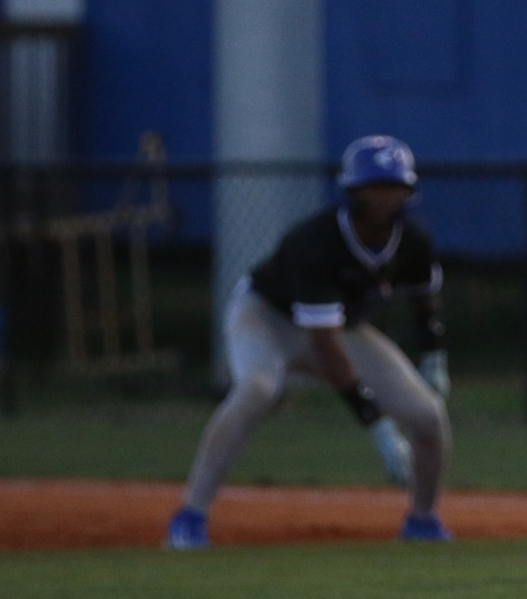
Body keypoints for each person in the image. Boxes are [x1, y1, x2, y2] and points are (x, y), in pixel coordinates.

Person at [165, 135, 454, 549]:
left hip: (342, 328)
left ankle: (422, 522)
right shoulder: (316, 240)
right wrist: (378, 425)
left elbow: (424, 299)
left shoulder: (413, 240)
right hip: (268, 318)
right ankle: (189, 517)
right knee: (258, 389)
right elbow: (324, 345)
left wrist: (434, 357)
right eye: (375, 187)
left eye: (394, 187)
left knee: (427, 414)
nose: (385, 197)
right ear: (353, 191)